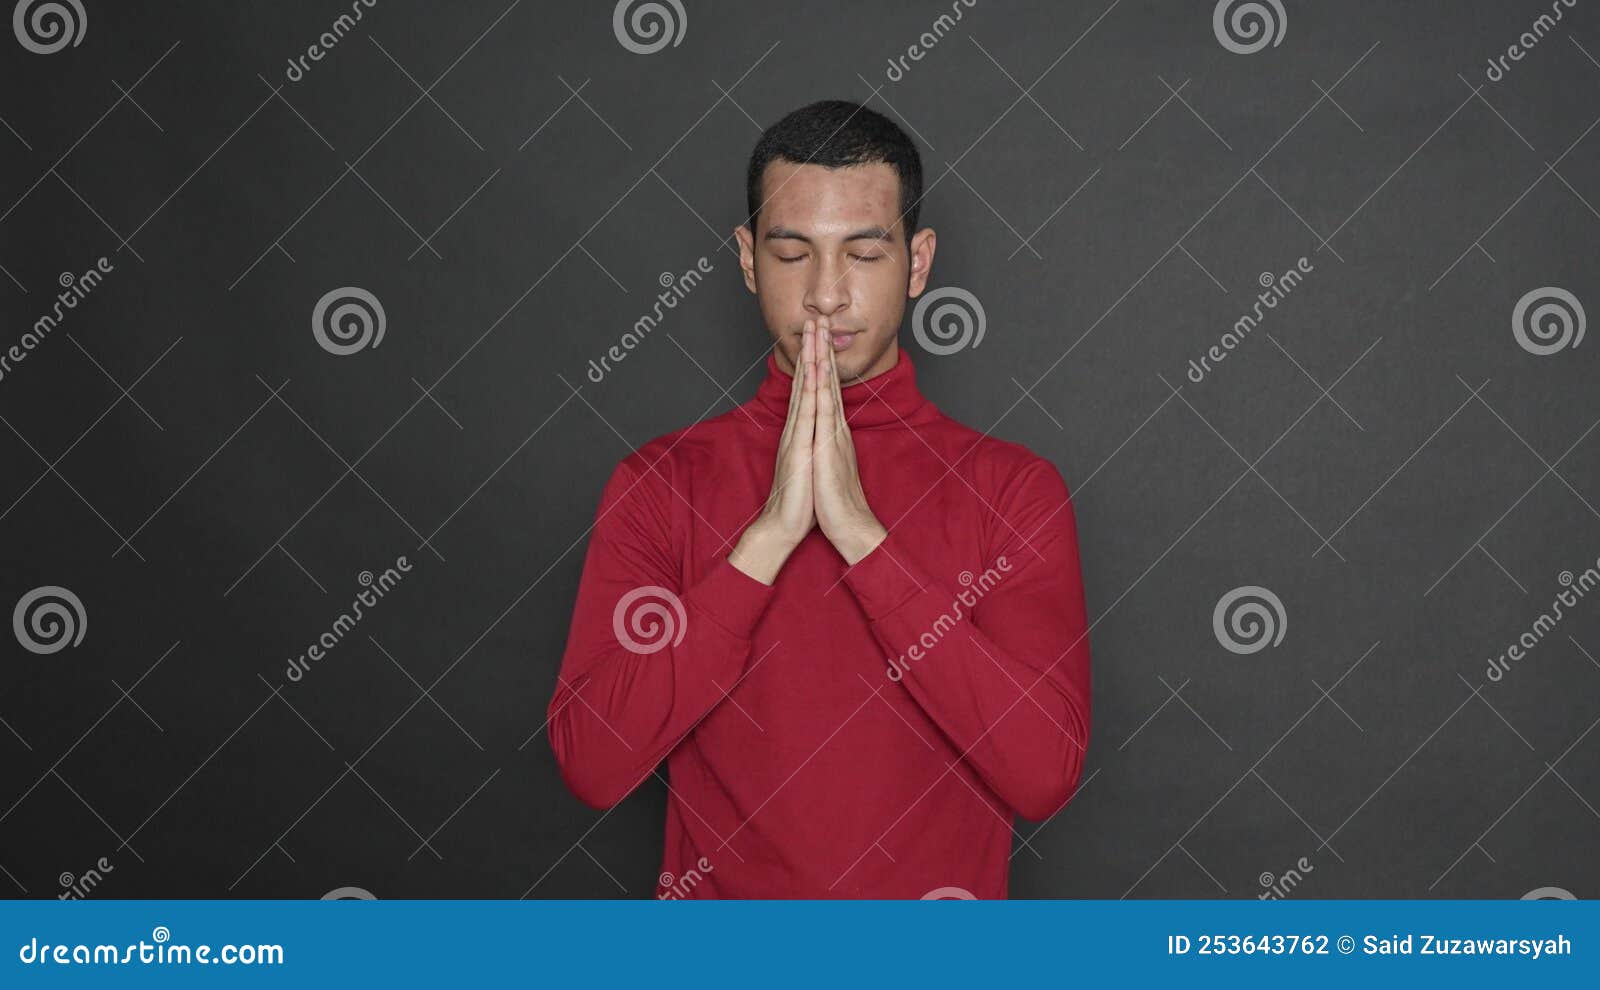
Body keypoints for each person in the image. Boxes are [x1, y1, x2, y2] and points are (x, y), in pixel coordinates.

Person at [547, 99, 1091, 898]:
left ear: (918, 262)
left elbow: (1044, 776)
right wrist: (764, 544)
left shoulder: (1012, 490)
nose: (826, 295)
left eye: (864, 255)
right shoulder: (663, 483)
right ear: (746, 259)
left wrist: (864, 539)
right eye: (793, 253)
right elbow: (593, 765)